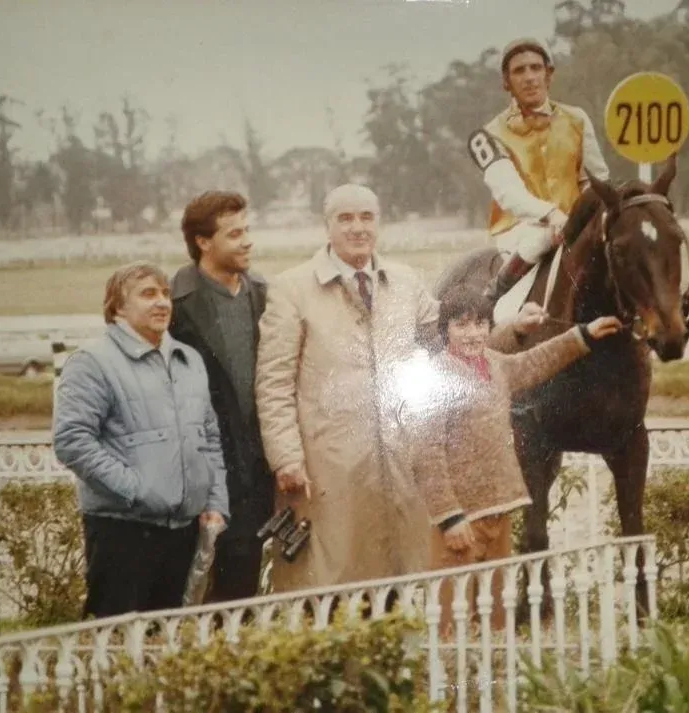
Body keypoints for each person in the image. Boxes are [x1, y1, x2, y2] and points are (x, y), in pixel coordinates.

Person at [255, 183, 442, 593]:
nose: (357, 228)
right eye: (345, 218)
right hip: (328, 463)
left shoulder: (406, 282)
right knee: (329, 579)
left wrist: (512, 329)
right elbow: (274, 382)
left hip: (396, 457)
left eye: (366, 217)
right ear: (327, 228)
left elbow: (447, 339)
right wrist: (286, 457)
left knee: (402, 574)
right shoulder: (292, 288)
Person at [412, 287, 621, 634]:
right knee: (450, 623)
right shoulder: (435, 377)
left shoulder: (496, 365)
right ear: (445, 330)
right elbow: (425, 452)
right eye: (461, 325)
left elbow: (537, 361)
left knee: (495, 621)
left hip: (499, 511)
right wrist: (449, 518)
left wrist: (584, 333)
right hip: (460, 521)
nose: (473, 333)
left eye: (480, 324)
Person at [53, 261, 229, 619]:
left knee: (165, 643)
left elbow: (208, 437)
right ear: (117, 306)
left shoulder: (188, 359)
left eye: (165, 293)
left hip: (183, 530)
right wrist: (137, 490)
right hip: (124, 530)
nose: (162, 302)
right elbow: (72, 440)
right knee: (118, 647)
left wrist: (215, 502)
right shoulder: (92, 361)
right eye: (148, 294)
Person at [169, 191, 273, 602]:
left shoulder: (264, 294)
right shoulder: (175, 304)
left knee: (248, 580)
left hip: (260, 464)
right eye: (234, 234)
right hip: (205, 467)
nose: (247, 241)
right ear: (203, 242)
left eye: (247, 231)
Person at [467, 36, 609, 303]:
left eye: (536, 68)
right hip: (521, 231)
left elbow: (596, 180)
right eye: (519, 71)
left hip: (575, 224)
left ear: (549, 74)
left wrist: (581, 217)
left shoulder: (577, 119)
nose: (529, 77)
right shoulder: (488, 135)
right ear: (506, 82)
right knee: (541, 236)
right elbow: (510, 195)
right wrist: (552, 216)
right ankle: (498, 293)